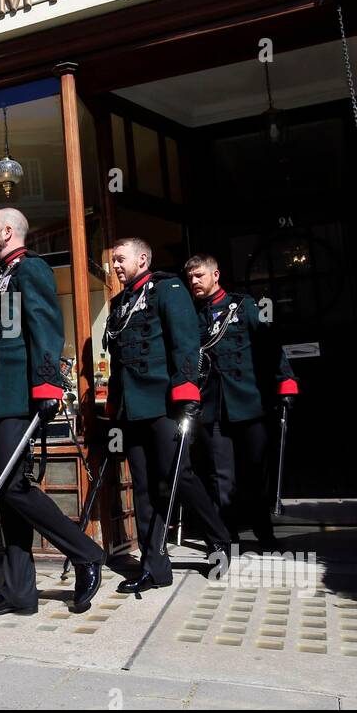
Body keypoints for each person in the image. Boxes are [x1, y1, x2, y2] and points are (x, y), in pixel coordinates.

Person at [0, 208, 105, 617]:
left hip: (21, 396)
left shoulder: (31, 269)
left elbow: (46, 325)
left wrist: (47, 385)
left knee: (10, 487)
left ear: (8, 232)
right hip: (0, 396)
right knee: (7, 496)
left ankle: (85, 553)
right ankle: (20, 591)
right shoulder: (0, 275)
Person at [104, 238, 229, 594]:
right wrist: (115, 404)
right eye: (113, 260)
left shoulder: (168, 289)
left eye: (120, 259)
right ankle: (154, 566)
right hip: (133, 408)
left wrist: (186, 389)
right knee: (144, 487)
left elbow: (185, 342)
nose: (115, 265)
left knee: (180, 476)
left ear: (142, 259)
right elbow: (118, 362)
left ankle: (220, 539)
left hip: (163, 402)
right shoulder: (119, 304)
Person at [185, 253, 298, 551]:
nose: (194, 282)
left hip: (248, 402)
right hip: (212, 406)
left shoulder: (245, 305)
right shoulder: (191, 316)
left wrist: (285, 380)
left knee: (255, 471)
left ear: (215, 275)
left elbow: (269, 344)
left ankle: (264, 533)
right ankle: (226, 537)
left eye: (199, 276)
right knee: (220, 476)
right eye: (191, 278)